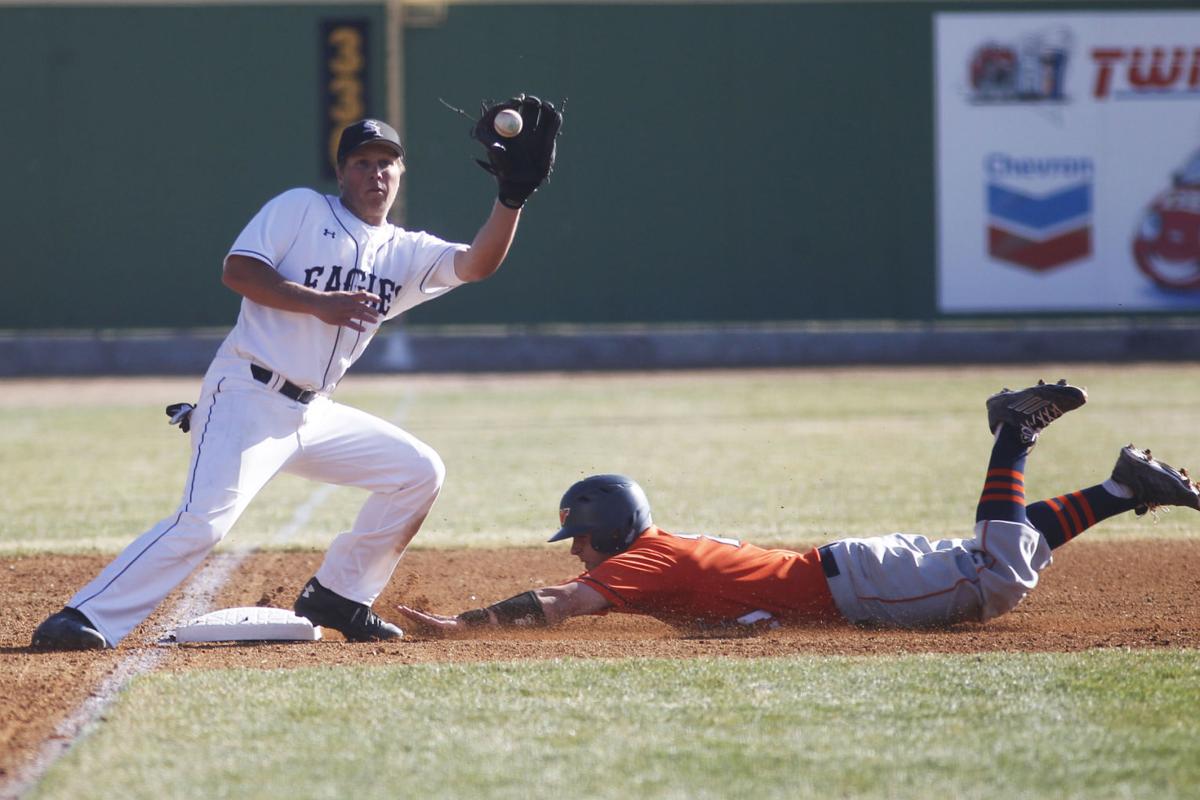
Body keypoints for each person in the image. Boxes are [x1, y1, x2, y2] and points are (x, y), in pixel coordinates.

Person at [33, 99, 564, 650]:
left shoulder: (405, 251)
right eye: (361, 162)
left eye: (386, 162)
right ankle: (85, 615)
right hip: (246, 392)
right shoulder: (301, 209)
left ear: (401, 174)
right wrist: (316, 302)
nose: (375, 172)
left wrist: (510, 199)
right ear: (340, 173)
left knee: (418, 471)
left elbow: (477, 263)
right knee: (205, 522)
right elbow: (238, 270)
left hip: (313, 410)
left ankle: (339, 594)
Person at [398, 380, 1200, 633]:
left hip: (858, 584)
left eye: (578, 536)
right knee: (998, 556)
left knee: (995, 581)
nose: (574, 549)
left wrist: (464, 626)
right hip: (857, 572)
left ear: (607, 531)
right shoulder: (653, 561)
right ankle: (1126, 487)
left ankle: (1015, 433)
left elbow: (561, 601)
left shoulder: (642, 561)